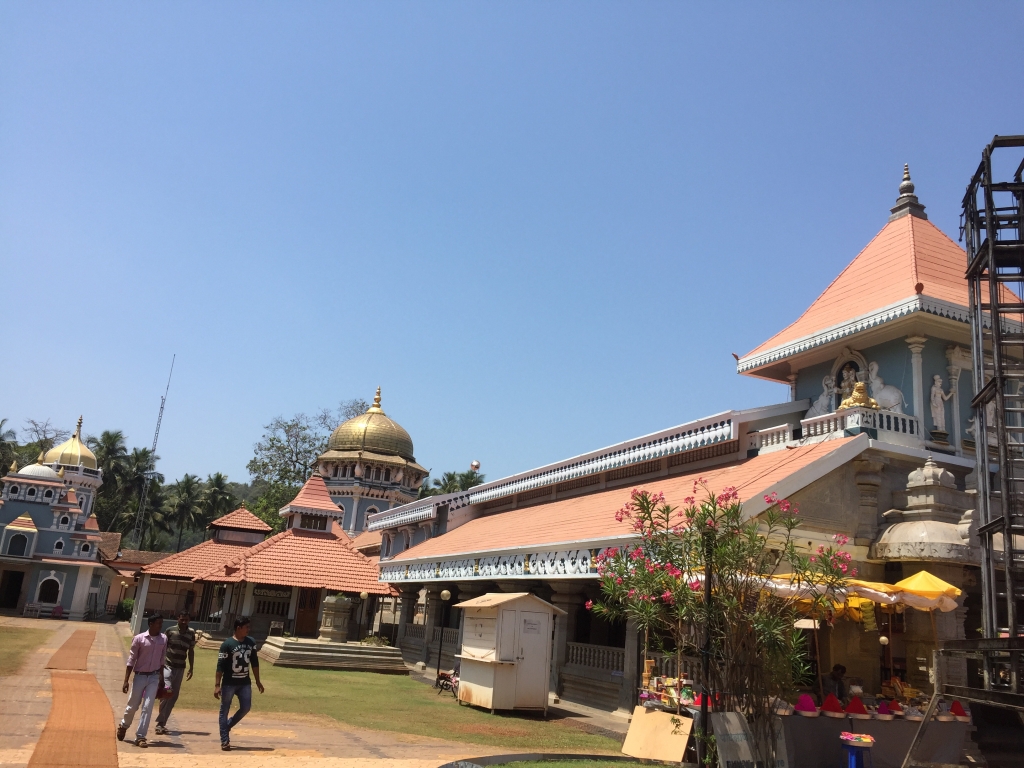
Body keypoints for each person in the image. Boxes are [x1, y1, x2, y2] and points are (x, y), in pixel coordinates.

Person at [117, 614, 168, 748]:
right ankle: (124, 725)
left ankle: (140, 736)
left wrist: (161, 678)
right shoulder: (139, 639)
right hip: (140, 676)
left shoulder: (163, 639)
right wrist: (126, 680)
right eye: (158, 623)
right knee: (133, 705)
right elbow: (131, 660)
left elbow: (162, 660)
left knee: (148, 707)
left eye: (161, 623)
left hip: (154, 677)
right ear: (151, 624)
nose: (160, 626)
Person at [215, 616, 265, 751]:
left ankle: (228, 725)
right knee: (224, 710)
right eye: (246, 627)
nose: (249, 629)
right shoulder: (227, 644)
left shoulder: (251, 642)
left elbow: (255, 663)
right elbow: (220, 666)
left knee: (246, 707)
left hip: (245, 683)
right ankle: (225, 740)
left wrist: (258, 681)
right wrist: (217, 685)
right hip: (229, 683)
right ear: (238, 628)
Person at [154, 610, 196, 735]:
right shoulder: (170, 631)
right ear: (178, 618)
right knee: (168, 691)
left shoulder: (191, 633)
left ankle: (162, 723)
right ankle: (160, 723)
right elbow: (162, 648)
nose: (184, 622)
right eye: (182, 619)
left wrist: (191, 667)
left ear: (189, 620)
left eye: (186, 620)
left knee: (173, 696)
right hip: (168, 666)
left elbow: (191, 651)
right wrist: (159, 665)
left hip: (180, 667)